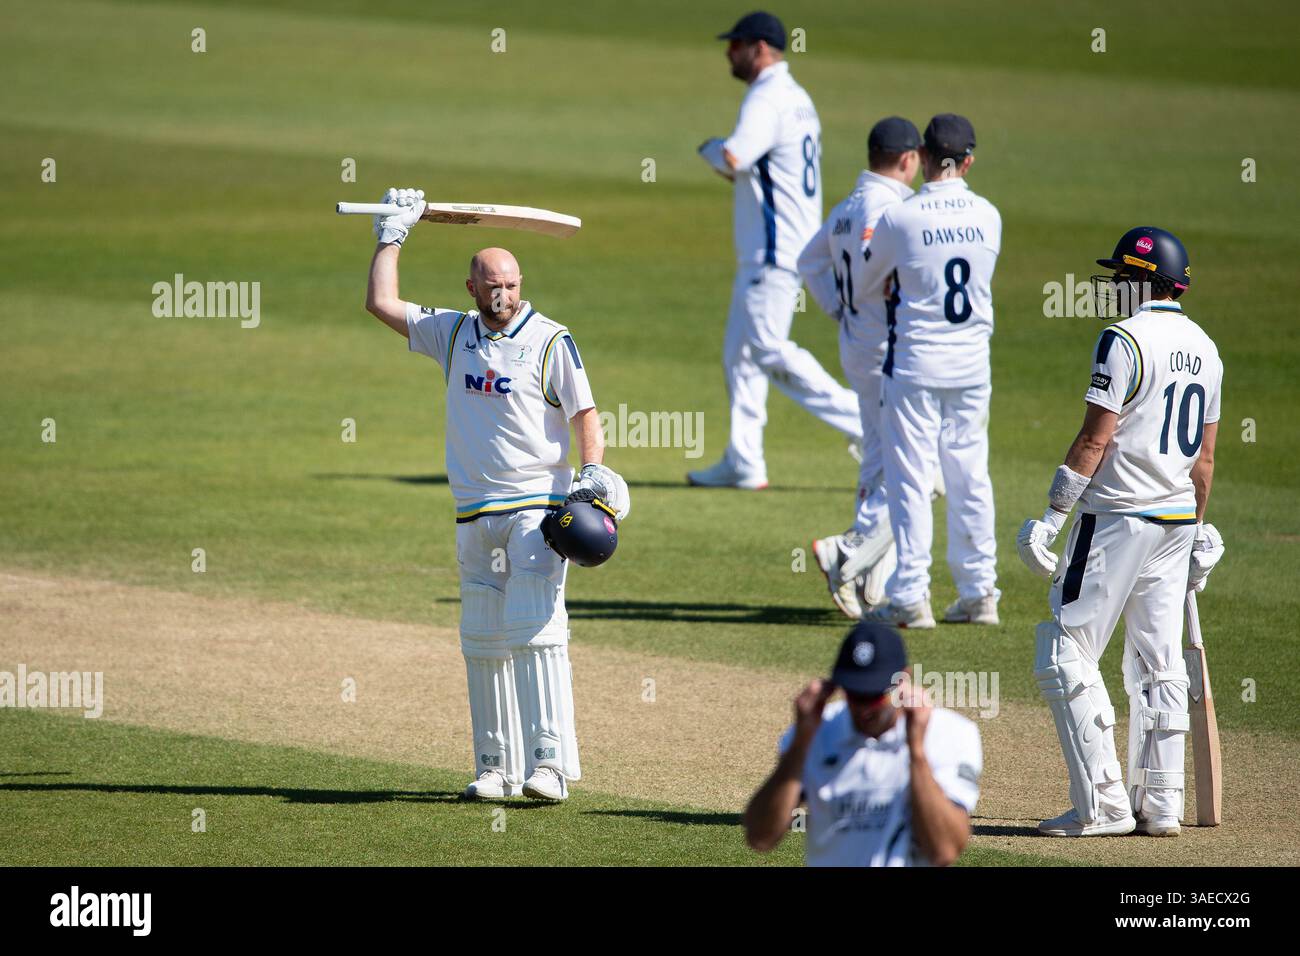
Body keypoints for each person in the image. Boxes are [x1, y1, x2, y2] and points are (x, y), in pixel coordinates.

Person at [362, 187, 630, 803]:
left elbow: (586, 412)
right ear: (471, 289)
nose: (502, 294)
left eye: (510, 284)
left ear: (520, 283)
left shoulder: (551, 339)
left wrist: (591, 474)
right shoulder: (452, 334)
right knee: (481, 639)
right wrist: (391, 235)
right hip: (473, 512)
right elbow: (379, 302)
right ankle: (494, 766)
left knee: (535, 632)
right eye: (491, 286)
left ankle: (550, 767)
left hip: (536, 508)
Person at [1017, 226, 1224, 837]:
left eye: (1119, 278)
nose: (1112, 289)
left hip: (1115, 517)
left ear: (1141, 281)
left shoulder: (1124, 339)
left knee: (1064, 652)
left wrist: (1052, 518)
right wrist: (1199, 534)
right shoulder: (1206, 348)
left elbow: (1094, 438)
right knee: (1159, 663)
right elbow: (1205, 461)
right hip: (1176, 520)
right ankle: (1161, 805)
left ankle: (1103, 804)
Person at [689, 10, 861, 490]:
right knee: (739, 355)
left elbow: (733, 158)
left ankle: (869, 427)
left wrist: (707, 148)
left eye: (736, 44)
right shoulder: (798, 97)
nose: (729, 52)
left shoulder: (767, 98)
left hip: (772, 249)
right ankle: (744, 460)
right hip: (787, 244)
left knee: (765, 349)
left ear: (760, 47)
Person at [854, 114, 1003, 629]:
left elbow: (868, 280)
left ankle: (912, 596)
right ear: (968, 161)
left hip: (915, 364)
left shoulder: (903, 216)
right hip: (971, 366)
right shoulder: (989, 215)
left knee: (911, 478)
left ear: (920, 155)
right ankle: (980, 592)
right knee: (969, 475)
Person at [799, 116, 925, 619]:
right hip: (886, 348)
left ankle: (872, 573)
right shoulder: (893, 208)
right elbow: (891, 273)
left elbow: (809, 262)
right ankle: (848, 551)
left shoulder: (848, 207)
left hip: (856, 342)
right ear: (908, 159)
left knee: (879, 455)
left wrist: (837, 306)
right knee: (915, 463)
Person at [743, 622, 982, 866]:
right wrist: (800, 745)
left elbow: (944, 850)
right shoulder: (814, 732)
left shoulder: (950, 733)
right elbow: (760, 837)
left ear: (904, 679)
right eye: (855, 695)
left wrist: (917, 752)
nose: (864, 710)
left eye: (874, 696)